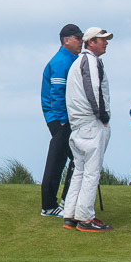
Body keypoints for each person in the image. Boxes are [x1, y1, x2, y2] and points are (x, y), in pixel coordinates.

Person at [61, 27, 114, 232]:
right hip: (91, 123)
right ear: (90, 42)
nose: (106, 43)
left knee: (79, 171)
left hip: (78, 125)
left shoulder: (78, 62)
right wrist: (103, 116)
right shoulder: (90, 61)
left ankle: (71, 215)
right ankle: (85, 218)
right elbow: (94, 90)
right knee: (91, 172)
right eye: (102, 40)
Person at [40, 23, 83, 216]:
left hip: (63, 118)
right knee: (57, 160)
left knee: (75, 157)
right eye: (78, 38)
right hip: (60, 118)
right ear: (67, 40)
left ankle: (67, 199)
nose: (81, 41)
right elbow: (57, 94)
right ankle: (49, 206)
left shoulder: (70, 60)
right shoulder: (61, 62)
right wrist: (64, 121)